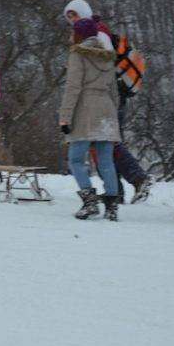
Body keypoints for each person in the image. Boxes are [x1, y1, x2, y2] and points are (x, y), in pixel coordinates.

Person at [63, 0, 153, 203]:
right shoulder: (95, 32)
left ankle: (136, 180)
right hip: (107, 96)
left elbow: (102, 68)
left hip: (107, 96)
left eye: (75, 15)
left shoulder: (96, 34)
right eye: (69, 17)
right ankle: (116, 192)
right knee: (104, 146)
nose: (72, 20)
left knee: (107, 145)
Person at [59, 19, 122, 221]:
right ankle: (112, 207)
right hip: (107, 109)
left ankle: (90, 202)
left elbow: (73, 87)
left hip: (85, 109)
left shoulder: (78, 54)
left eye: (73, 32)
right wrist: (114, 115)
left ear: (79, 34)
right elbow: (114, 90)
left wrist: (65, 117)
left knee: (76, 159)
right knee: (106, 162)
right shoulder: (108, 56)